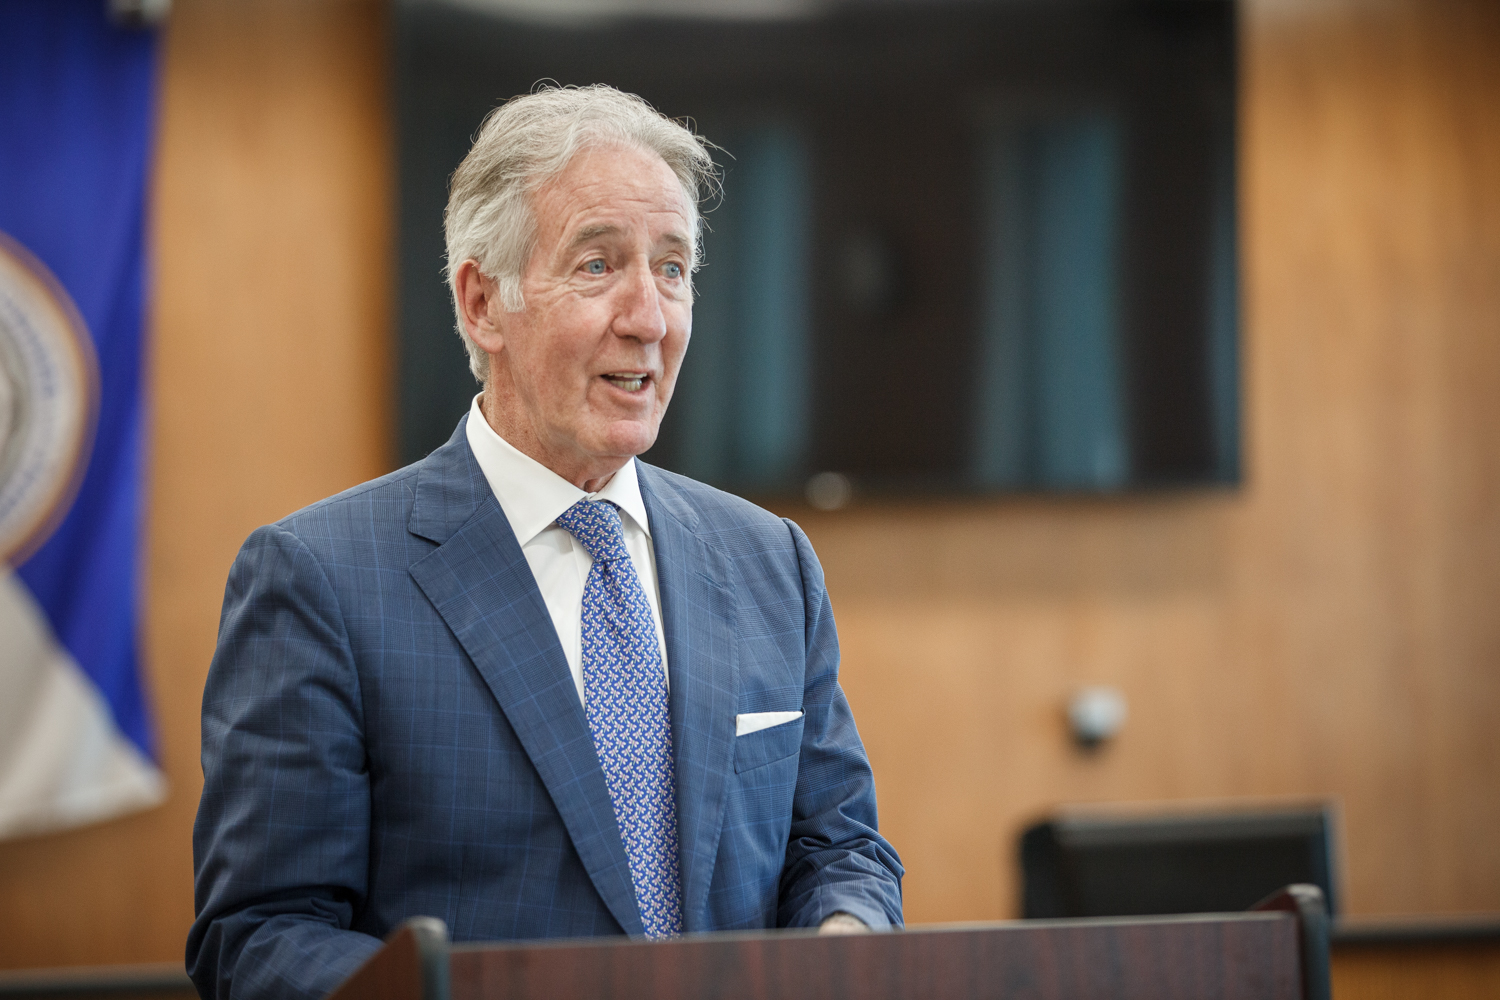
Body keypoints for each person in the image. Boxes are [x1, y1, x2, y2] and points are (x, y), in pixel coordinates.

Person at [186, 84, 903, 1000]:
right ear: (484, 302)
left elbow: (838, 847)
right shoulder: (317, 580)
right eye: (600, 265)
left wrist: (843, 940)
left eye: (674, 268)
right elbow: (260, 938)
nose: (650, 316)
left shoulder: (770, 561)